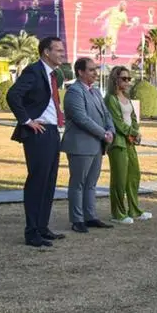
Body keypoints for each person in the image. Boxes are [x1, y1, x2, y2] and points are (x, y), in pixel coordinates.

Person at [6, 36, 68, 248]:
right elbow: (13, 95)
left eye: (62, 50)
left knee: (49, 180)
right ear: (46, 52)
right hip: (38, 132)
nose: (62, 54)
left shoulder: (54, 75)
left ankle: (42, 227)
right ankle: (31, 231)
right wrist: (26, 120)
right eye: (58, 50)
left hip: (52, 131)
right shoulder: (33, 71)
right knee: (38, 181)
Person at [61, 57, 116, 234]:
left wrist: (111, 130)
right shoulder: (74, 92)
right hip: (80, 145)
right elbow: (81, 118)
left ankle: (90, 216)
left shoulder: (96, 92)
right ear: (80, 72)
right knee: (78, 183)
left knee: (91, 183)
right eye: (91, 70)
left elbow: (106, 114)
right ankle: (77, 219)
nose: (95, 73)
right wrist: (103, 134)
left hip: (96, 145)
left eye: (95, 69)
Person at [105, 66, 152, 224]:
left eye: (129, 79)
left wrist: (135, 132)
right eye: (124, 79)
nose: (127, 82)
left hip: (129, 142)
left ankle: (134, 210)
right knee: (119, 179)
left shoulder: (126, 98)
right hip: (118, 143)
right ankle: (118, 213)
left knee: (133, 176)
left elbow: (132, 118)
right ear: (115, 80)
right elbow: (117, 122)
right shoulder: (110, 99)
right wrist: (133, 132)